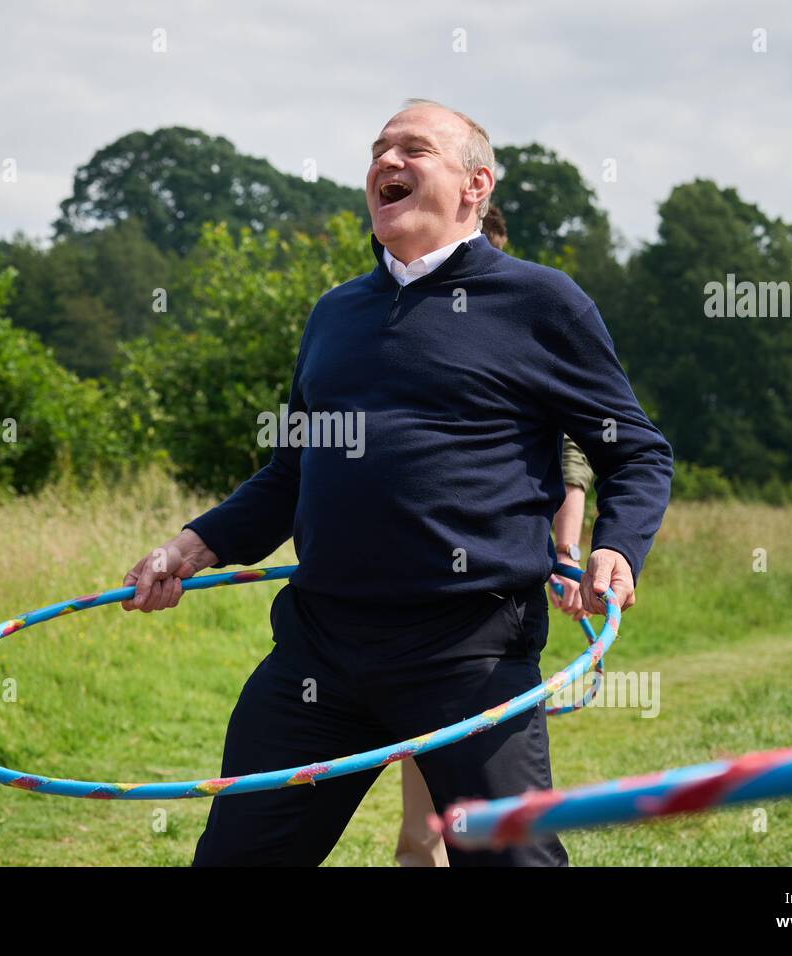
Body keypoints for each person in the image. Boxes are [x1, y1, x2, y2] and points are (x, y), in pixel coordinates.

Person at [122, 99, 673, 866]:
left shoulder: (541, 304)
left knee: (510, 863)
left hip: (467, 653)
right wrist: (188, 547)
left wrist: (619, 545)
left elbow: (636, 450)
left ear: (476, 184)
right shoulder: (336, 313)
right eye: (379, 149)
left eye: (414, 149)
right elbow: (289, 474)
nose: (386, 161)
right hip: (320, 649)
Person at [393, 203, 594, 867]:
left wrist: (567, 556)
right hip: (406, 604)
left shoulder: (532, 321)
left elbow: (574, 472)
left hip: (488, 604)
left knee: (478, 803)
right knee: (421, 818)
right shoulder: (401, 325)